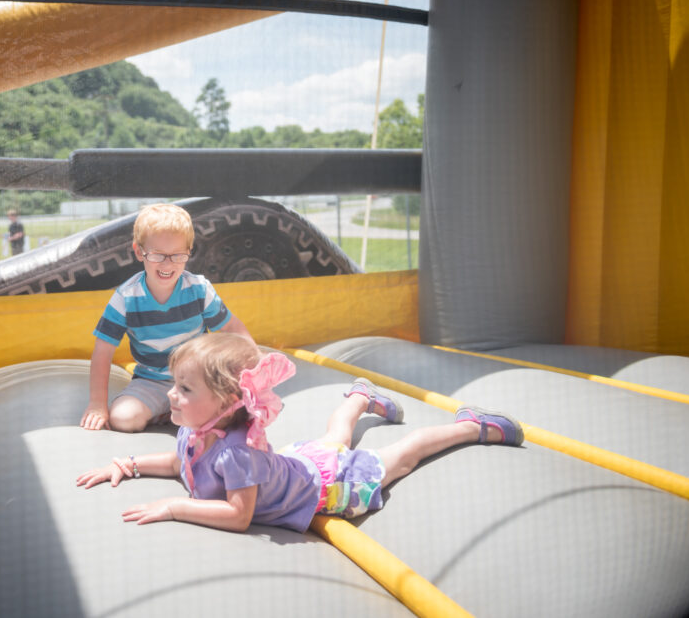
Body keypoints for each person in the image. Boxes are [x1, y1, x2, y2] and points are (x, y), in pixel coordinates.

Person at [77, 332, 524, 532]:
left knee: (401, 456)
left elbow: (239, 515)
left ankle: (469, 427)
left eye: (185, 388)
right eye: (174, 385)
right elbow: (179, 464)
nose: (171, 396)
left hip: (327, 489)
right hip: (298, 464)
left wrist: (175, 507)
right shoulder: (194, 431)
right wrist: (130, 464)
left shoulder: (237, 454)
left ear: (227, 403)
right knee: (333, 439)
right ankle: (360, 399)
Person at [80, 203, 253, 433]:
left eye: (177, 255)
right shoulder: (126, 298)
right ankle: (171, 411)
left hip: (196, 378)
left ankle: (177, 411)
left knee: (233, 411)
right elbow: (102, 352)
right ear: (139, 251)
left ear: (189, 251)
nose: (167, 264)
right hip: (151, 380)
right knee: (123, 418)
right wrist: (97, 404)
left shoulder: (199, 290)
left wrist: (254, 367)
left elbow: (233, 328)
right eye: (157, 255)